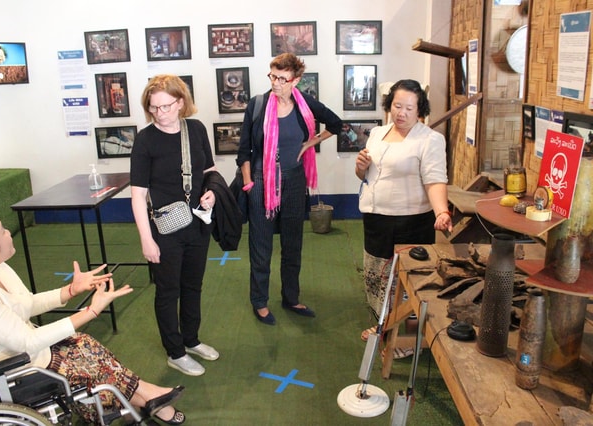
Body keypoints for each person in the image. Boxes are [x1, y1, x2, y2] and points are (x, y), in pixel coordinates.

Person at [0, 211, 186, 425]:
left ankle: (141, 399)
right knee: (84, 364)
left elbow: (27, 304)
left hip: (23, 356)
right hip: (2, 373)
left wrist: (71, 290)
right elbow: (27, 341)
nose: (8, 233)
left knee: (84, 343)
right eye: (2, 231)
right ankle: (146, 398)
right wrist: (90, 312)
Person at [237, 53, 342, 325]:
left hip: (295, 180)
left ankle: (291, 297)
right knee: (261, 246)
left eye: (282, 79)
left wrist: (312, 142)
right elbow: (244, 151)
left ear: (295, 80)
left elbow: (336, 123)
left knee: (293, 244)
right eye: (272, 76)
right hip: (261, 181)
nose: (275, 83)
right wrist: (249, 184)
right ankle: (259, 301)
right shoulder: (257, 105)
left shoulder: (304, 104)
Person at [130, 74, 218, 376]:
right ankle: (175, 352)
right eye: (154, 108)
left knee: (193, 285)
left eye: (166, 106)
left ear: (181, 102)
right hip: (165, 228)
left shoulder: (196, 129)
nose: (160, 113)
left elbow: (209, 170)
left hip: (197, 222)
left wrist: (212, 192)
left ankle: (191, 340)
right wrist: (146, 239)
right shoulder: (145, 140)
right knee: (168, 291)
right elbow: (138, 195)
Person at [355, 79, 453, 341]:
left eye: (409, 108)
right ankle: (383, 328)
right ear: (390, 105)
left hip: (411, 222)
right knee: (377, 276)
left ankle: (407, 338)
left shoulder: (429, 139)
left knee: (407, 281)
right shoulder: (378, 134)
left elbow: (435, 180)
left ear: (420, 110)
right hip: (376, 219)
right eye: (397, 106)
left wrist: (442, 212)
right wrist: (361, 166)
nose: (402, 113)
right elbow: (365, 175)